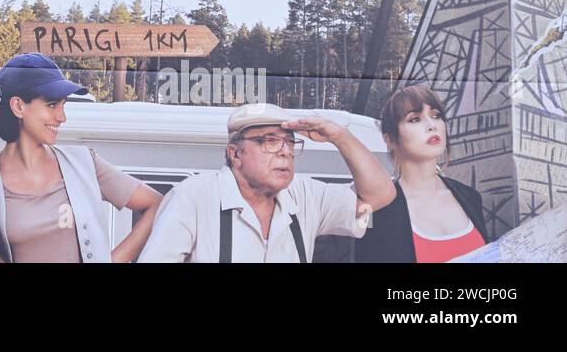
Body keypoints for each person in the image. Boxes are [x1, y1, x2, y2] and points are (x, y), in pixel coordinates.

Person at [0, 54, 163, 262]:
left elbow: (156, 205)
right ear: (18, 106)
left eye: (63, 105)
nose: (62, 117)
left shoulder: (83, 163)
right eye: (52, 105)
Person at [138, 103, 396, 262]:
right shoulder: (194, 197)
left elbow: (378, 198)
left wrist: (340, 136)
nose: (285, 151)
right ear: (235, 154)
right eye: (270, 141)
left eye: (290, 142)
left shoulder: (305, 195)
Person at [354, 85, 488, 262]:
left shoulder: (470, 197)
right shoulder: (374, 209)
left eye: (436, 116)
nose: (432, 125)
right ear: (391, 139)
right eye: (415, 119)